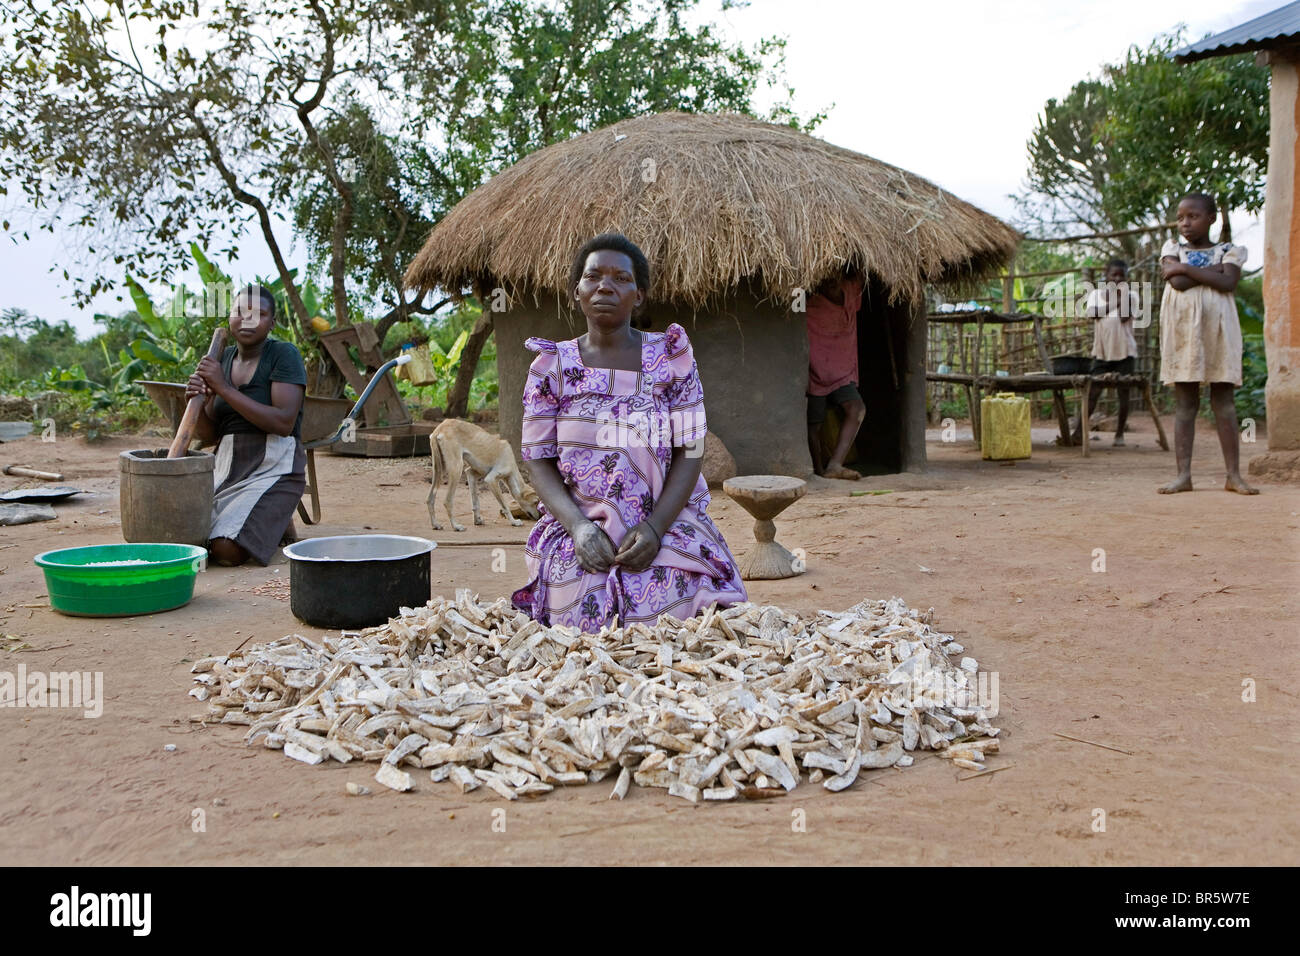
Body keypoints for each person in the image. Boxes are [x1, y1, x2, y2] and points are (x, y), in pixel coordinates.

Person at [510, 233, 748, 631]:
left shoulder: (671, 360)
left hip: (665, 519)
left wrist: (655, 529)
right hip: (581, 524)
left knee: (698, 609)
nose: (605, 285)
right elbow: (538, 458)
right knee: (579, 607)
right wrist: (579, 528)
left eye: (621, 278)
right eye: (593, 277)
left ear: (638, 296)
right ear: (577, 292)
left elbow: (691, 449)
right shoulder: (550, 368)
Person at [184, 284, 309, 565]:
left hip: (274, 467)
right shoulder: (221, 359)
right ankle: (271, 519)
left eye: (259, 313)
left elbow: (284, 422)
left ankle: (271, 514)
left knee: (225, 551)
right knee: (187, 537)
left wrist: (223, 387)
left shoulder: (283, 355)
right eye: (239, 312)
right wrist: (195, 401)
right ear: (229, 317)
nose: (248, 319)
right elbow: (208, 434)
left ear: (272, 323)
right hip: (225, 467)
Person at [1157, 193, 1258, 495]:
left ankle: (1234, 476)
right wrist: (1213, 272)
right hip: (1183, 332)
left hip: (1219, 331)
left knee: (1224, 402)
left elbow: (1228, 283)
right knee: (1186, 403)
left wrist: (1185, 268)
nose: (1185, 223)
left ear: (1212, 218)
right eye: (1181, 217)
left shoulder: (1230, 250)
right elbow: (1177, 283)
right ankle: (1183, 476)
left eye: (1193, 216)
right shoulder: (1171, 248)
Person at [1074, 258, 1140, 447]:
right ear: (1106, 275)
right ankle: (1079, 431)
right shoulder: (1096, 294)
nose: (1118, 279)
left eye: (1122, 276)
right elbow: (1093, 313)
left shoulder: (1132, 296)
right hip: (1102, 352)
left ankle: (1119, 434)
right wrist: (1116, 300)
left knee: (1123, 393)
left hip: (1125, 351)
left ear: (1127, 278)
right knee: (1093, 391)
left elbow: (1124, 316)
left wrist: (1121, 298)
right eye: (1114, 275)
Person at [805, 273, 865, 479]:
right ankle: (818, 472)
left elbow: (863, 275)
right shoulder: (809, 303)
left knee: (857, 409)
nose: (831, 282)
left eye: (835, 278)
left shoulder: (851, 295)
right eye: (826, 278)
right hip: (813, 372)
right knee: (813, 425)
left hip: (842, 370)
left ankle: (835, 465)